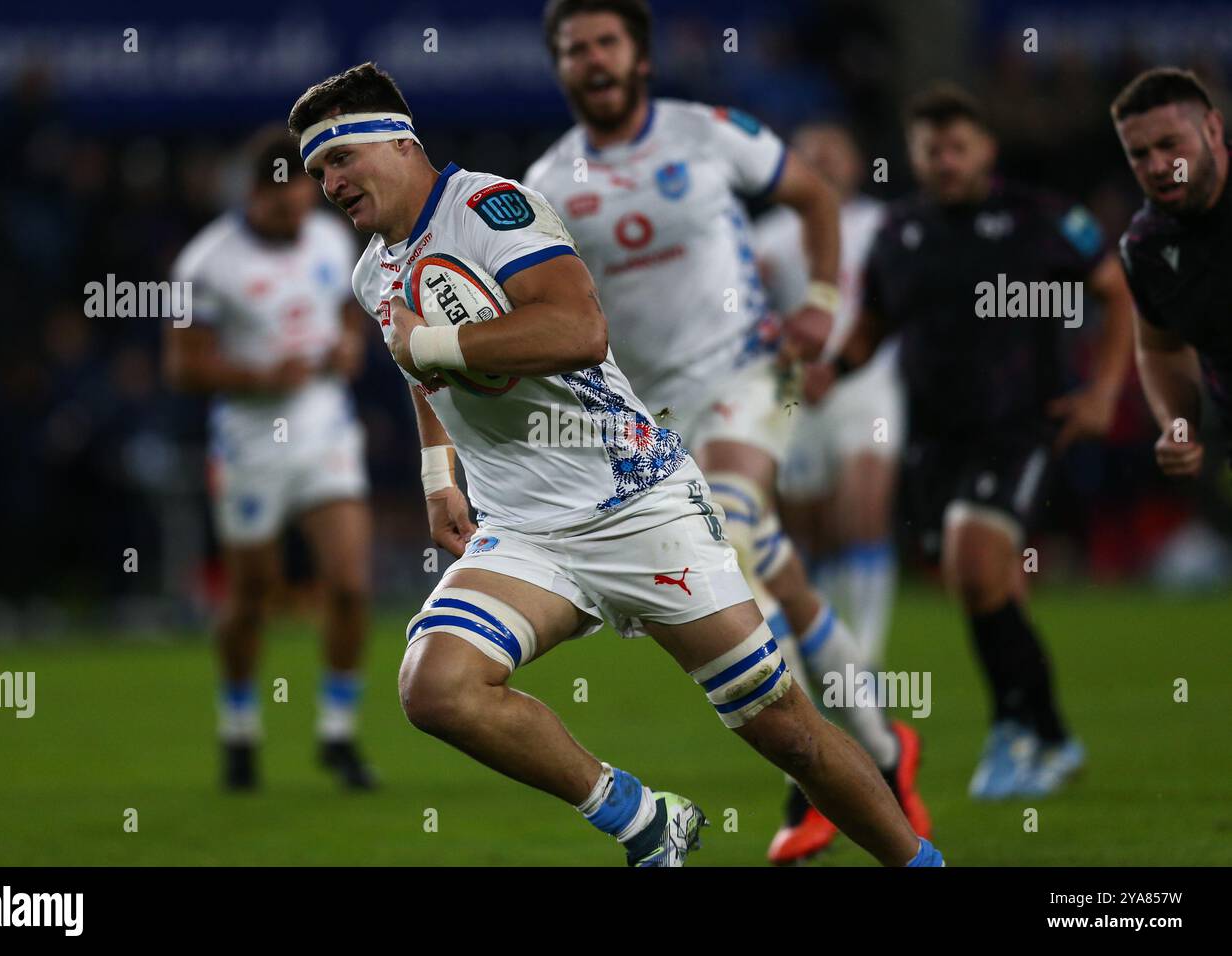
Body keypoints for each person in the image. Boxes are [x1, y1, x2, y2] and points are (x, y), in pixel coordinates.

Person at [290, 59, 943, 866]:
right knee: (436, 688)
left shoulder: (494, 209)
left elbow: (577, 331)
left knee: (785, 731)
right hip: (526, 531)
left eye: (340, 159)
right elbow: (420, 372)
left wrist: (433, 341)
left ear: (397, 142)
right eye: (318, 171)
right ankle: (640, 819)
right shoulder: (371, 270)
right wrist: (437, 472)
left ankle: (922, 865)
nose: (329, 184)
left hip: (637, 505)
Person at [524, 0, 929, 863]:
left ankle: (810, 778)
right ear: (559, 67)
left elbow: (814, 196)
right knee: (773, 562)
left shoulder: (708, 133)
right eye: (574, 49)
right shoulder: (546, 185)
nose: (591, 60)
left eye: (606, 43)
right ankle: (884, 751)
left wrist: (820, 304)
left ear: (639, 57)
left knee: (735, 534)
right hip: (650, 417)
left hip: (750, 375)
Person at [838, 83, 1136, 798]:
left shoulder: (1040, 219)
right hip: (934, 441)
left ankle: (1013, 729)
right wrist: (824, 373)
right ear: (913, 154)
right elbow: (873, 324)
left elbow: (1115, 290)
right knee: (989, 584)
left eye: (957, 147)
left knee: (975, 567)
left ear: (987, 150)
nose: (944, 161)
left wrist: (1102, 393)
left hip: (1021, 426)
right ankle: (1054, 737)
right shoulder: (899, 233)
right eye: (930, 148)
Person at [165, 128, 375, 791]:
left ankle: (338, 733)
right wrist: (261, 377)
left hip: (325, 433)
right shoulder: (202, 265)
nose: (296, 217)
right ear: (252, 196)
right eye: (281, 206)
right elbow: (181, 366)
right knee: (253, 593)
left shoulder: (332, 238)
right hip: (251, 446)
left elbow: (347, 315)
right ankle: (239, 728)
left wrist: (347, 348)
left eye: (304, 203)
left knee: (349, 584)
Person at [754, 121, 903, 671]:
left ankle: (866, 656)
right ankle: (826, 651)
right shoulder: (766, 239)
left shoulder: (884, 226)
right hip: (799, 397)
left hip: (868, 386)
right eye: (811, 155)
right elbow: (747, 315)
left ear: (857, 164)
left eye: (835, 154)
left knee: (861, 513)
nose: (825, 164)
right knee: (810, 530)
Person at [1111, 67, 1231, 476]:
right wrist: (1178, 425)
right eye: (1139, 154)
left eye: (1169, 144)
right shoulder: (1146, 249)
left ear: (1213, 129)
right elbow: (1161, 347)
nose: (1159, 166)